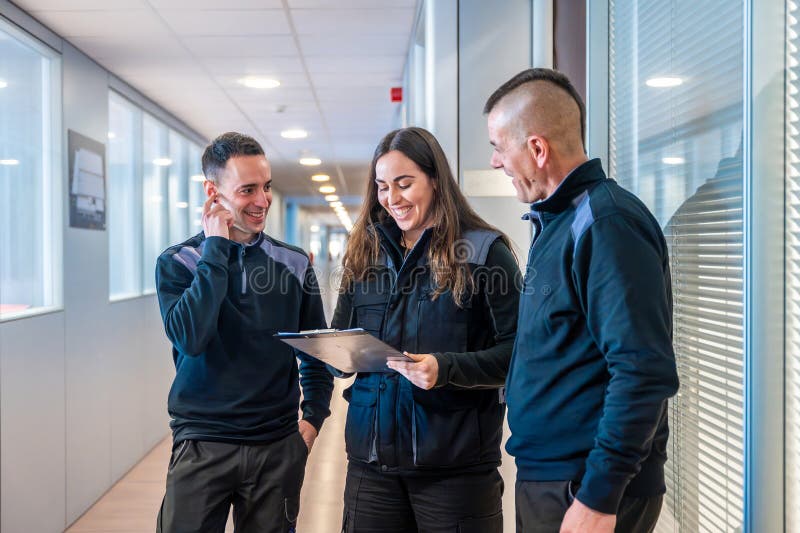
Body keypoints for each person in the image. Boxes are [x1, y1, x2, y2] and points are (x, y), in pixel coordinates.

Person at [484, 68, 679, 533]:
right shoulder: (559, 224)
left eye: (498, 147)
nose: (496, 162)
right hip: (556, 479)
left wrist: (599, 494)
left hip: (585, 488)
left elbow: (642, 371)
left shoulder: (606, 224)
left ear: (536, 148)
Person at [330, 126, 521, 532]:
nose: (392, 198)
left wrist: (445, 368)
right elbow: (339, 335)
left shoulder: (485, 253)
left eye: (404, 184)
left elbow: (519, 354)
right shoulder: (364, 253)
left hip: (455, 469)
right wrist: (333, 355)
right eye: (382, 187)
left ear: (435, 180)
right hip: (371, 465)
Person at [154, 132, 333, 533]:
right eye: (247, 190)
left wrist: (314, 418)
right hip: (202, 444)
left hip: (276, 446)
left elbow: (317, 350)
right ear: (212, 192)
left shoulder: (292, 262)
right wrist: (216, 251)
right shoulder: (179, 262)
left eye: (266, 187)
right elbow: (191, 338)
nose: (262, 201)